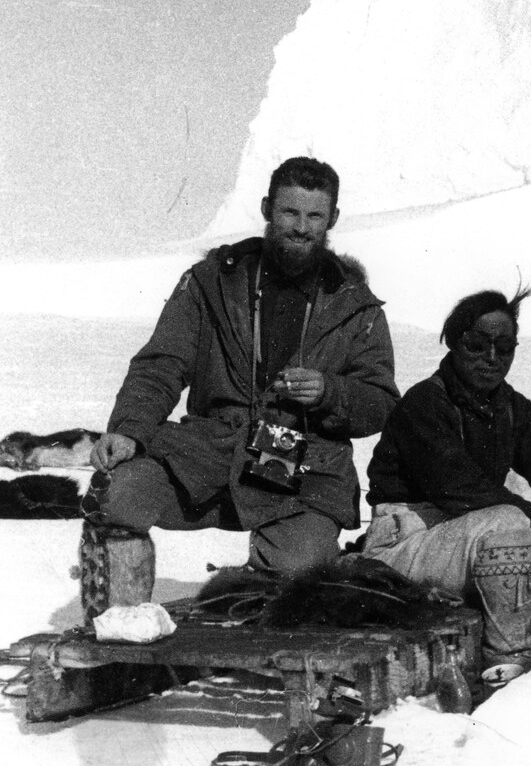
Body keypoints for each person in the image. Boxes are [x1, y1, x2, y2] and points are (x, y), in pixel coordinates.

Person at [79, 156, 399, 620]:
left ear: (332, 219)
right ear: (268, 208)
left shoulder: (356, 307)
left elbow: (381, 402)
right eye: (290, 212)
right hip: (208, 450)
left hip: (299, 462)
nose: (301, 228)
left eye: (314, 216)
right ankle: (114, 635)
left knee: (303, 570)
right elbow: (161, 365)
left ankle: (261, 599)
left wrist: (331, 393)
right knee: (118, 496)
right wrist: (128, 430)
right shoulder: (212, 282)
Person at [363, 285, 531, 659]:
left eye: (504, 349)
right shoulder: (424, 404)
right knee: (507, 524)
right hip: (407, 544)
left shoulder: (510, 407)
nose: (491, 358)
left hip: (473, 537)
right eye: (476, 346)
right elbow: (456, 485)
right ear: (453, 343)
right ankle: (509, 650)